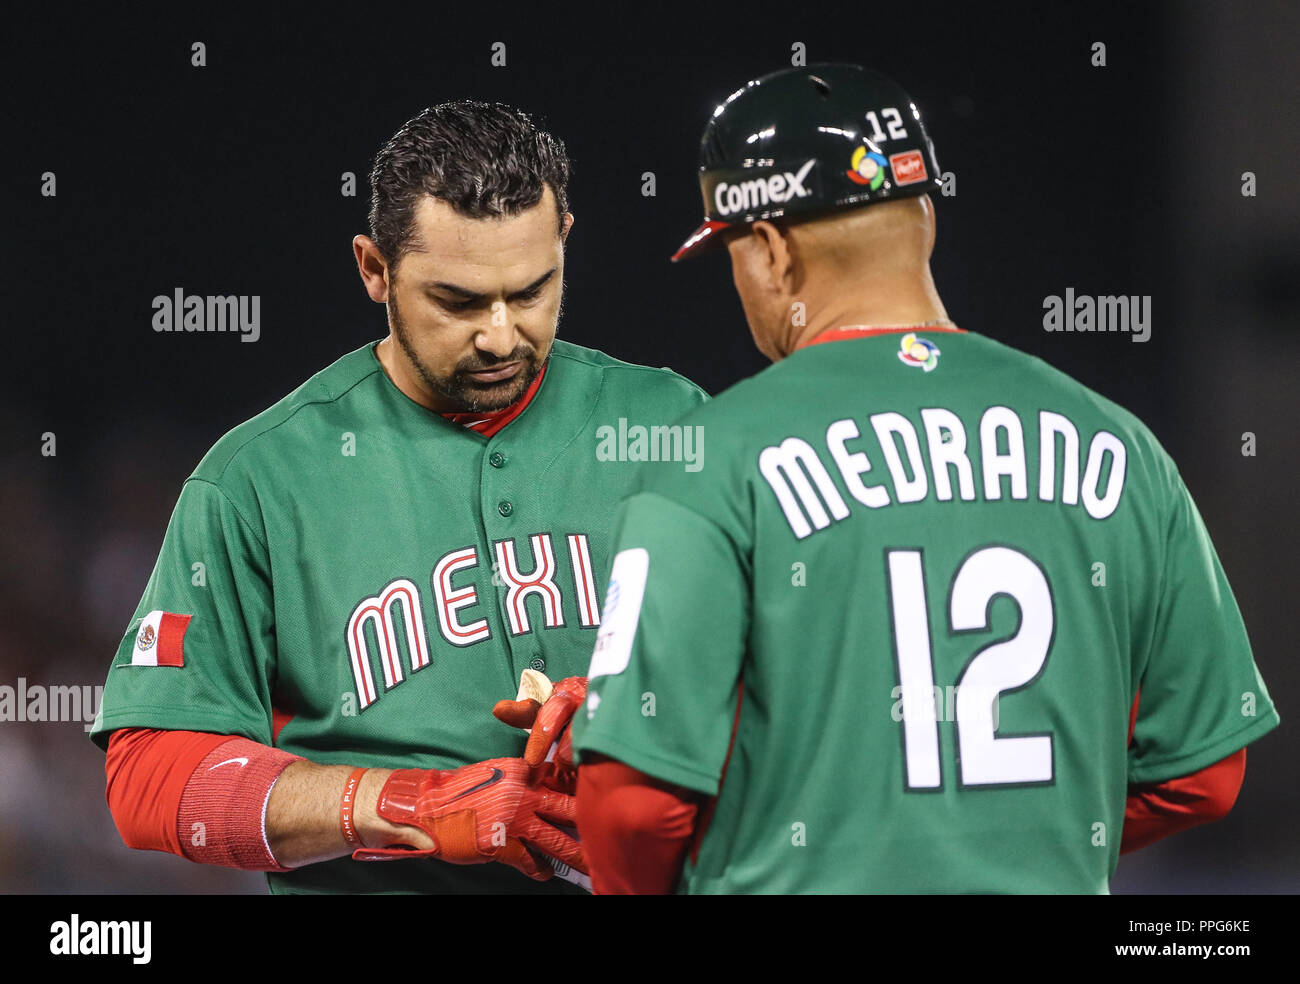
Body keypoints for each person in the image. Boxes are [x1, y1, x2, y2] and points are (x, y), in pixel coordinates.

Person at [571, 64, 1280, 894]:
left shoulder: (709, 457)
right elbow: (1204, 772)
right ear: (925, 220)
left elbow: (631, 808)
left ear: (766, 250)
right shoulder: (1119, 445)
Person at [90, 100, 706, 894]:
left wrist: (637, 715)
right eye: (456, 301)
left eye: (531, 291)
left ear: (565, 243)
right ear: (373, 268)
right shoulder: (259, 478)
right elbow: (150, 778)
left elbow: (790, 692)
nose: (499, 334)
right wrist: (402, 802)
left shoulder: (669, 422)